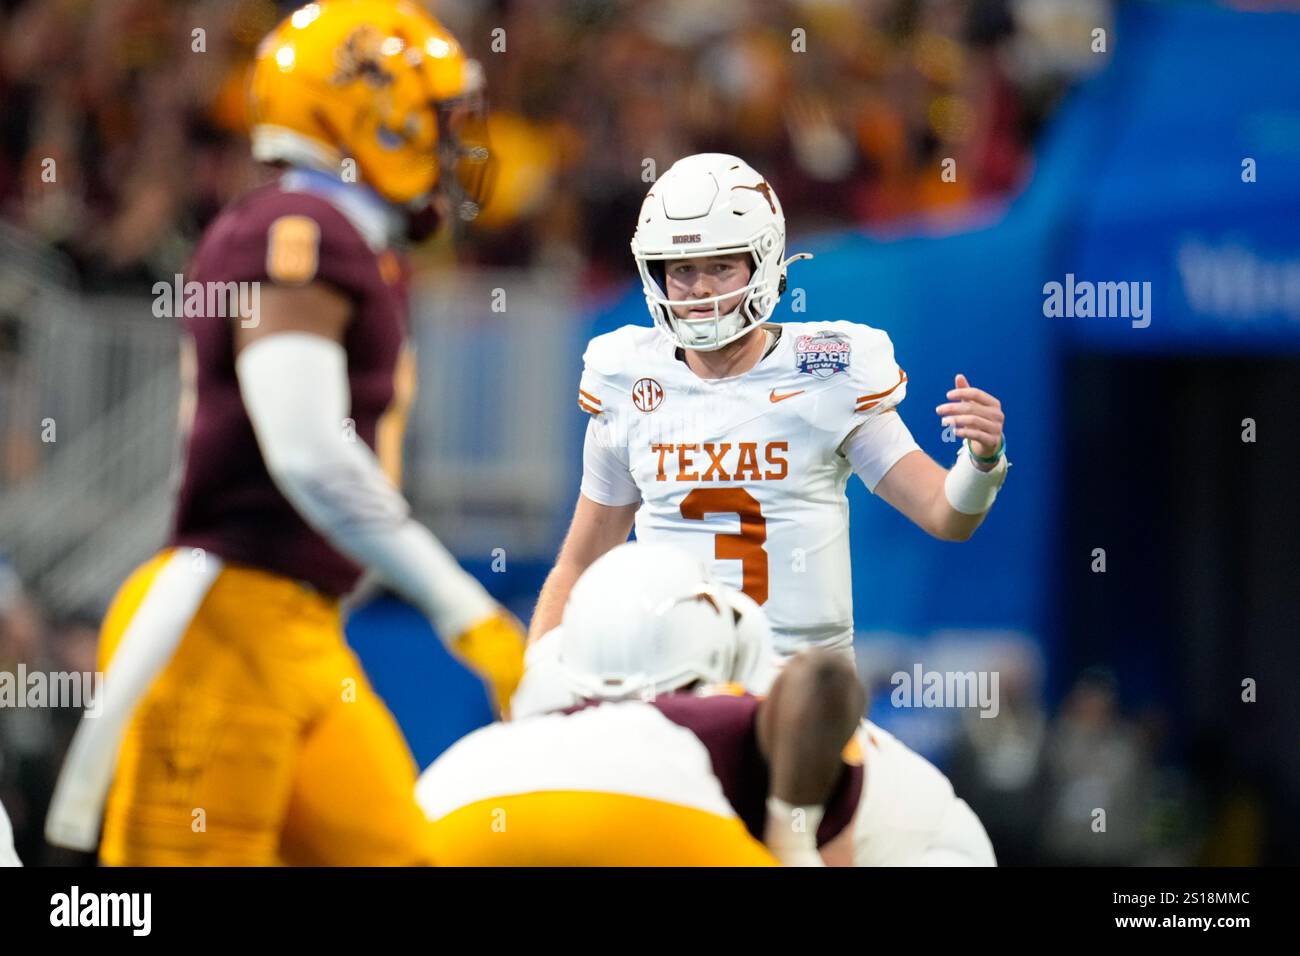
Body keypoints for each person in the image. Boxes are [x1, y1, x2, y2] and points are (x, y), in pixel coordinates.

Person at [46, 0, 522, 866]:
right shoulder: (294, 233)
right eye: (431, 117)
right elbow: (305, 451)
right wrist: (468, 612)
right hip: (225, 632)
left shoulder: (337, 239)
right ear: (360, 110)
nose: (453, 144)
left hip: (300, 632)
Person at [529, 152, 1010, 662]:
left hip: (798, 686)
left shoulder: (827, 371)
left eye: (721, 265)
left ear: (762, 262)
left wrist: (982, 463)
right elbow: (580, 564)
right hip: (673, 683)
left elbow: (944, 513)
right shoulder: (629, 379)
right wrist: (534, 680)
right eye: (683, 268)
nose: (701, 288)